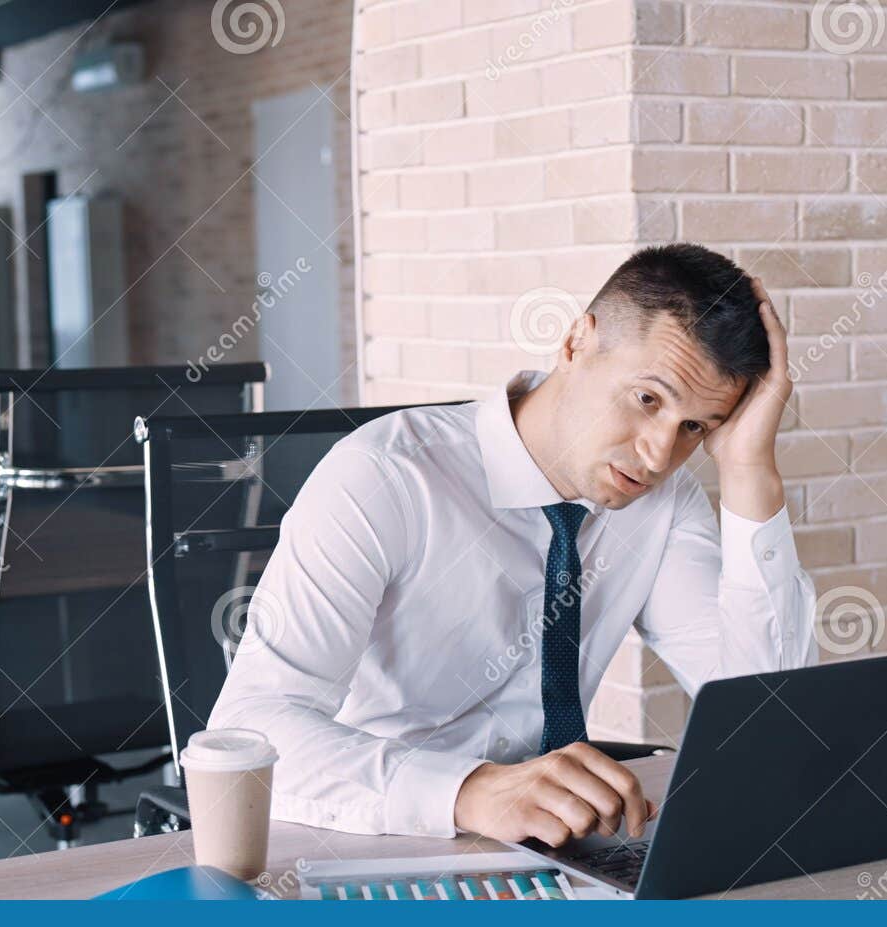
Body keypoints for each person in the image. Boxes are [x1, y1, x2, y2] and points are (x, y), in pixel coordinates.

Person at [209, 243, 819, 847]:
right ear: (576, 342)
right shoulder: (384, 475)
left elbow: (768, 720)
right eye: (647, 399)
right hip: (373, 834)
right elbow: (248, 730)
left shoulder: (662, 500)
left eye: (694, 427)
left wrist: (749, 468)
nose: (659, 455)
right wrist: (469, 792)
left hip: (553, 847)